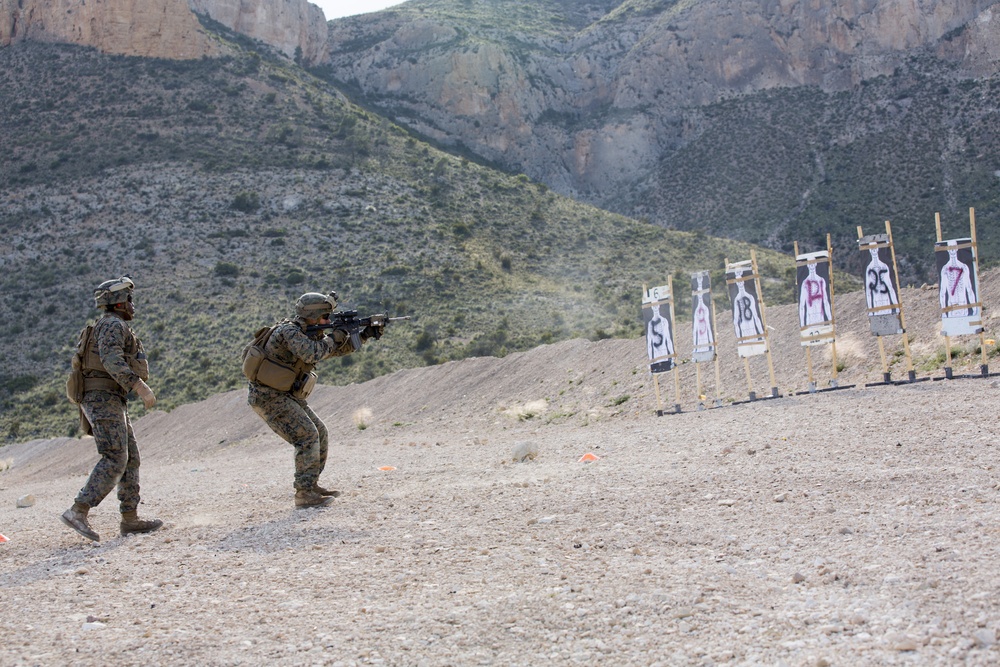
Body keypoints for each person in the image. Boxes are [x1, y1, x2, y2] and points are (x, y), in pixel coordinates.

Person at [246, 292, 382, 509]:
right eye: (325, 316)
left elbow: (334, 350)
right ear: (313, 315)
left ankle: (311, 485)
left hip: (285, 394)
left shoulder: (307, 332)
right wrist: (335, 335)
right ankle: (304, 494)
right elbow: (313, 354)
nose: (328, 321)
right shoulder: (289, 332)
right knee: (307, 436)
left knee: (320, 432)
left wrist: (365, 334)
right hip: (268, 397)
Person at [61, 276, 162, 542]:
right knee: (116, 455)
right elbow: (111, 360)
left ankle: (130, 519)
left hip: (110, 397)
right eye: (129, 299)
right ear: (118, 303)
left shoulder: (112, 324)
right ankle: (78, 510)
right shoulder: (112, 325)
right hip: (101, 397)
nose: (132, 305)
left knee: (130, 457)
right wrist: (139, 386)